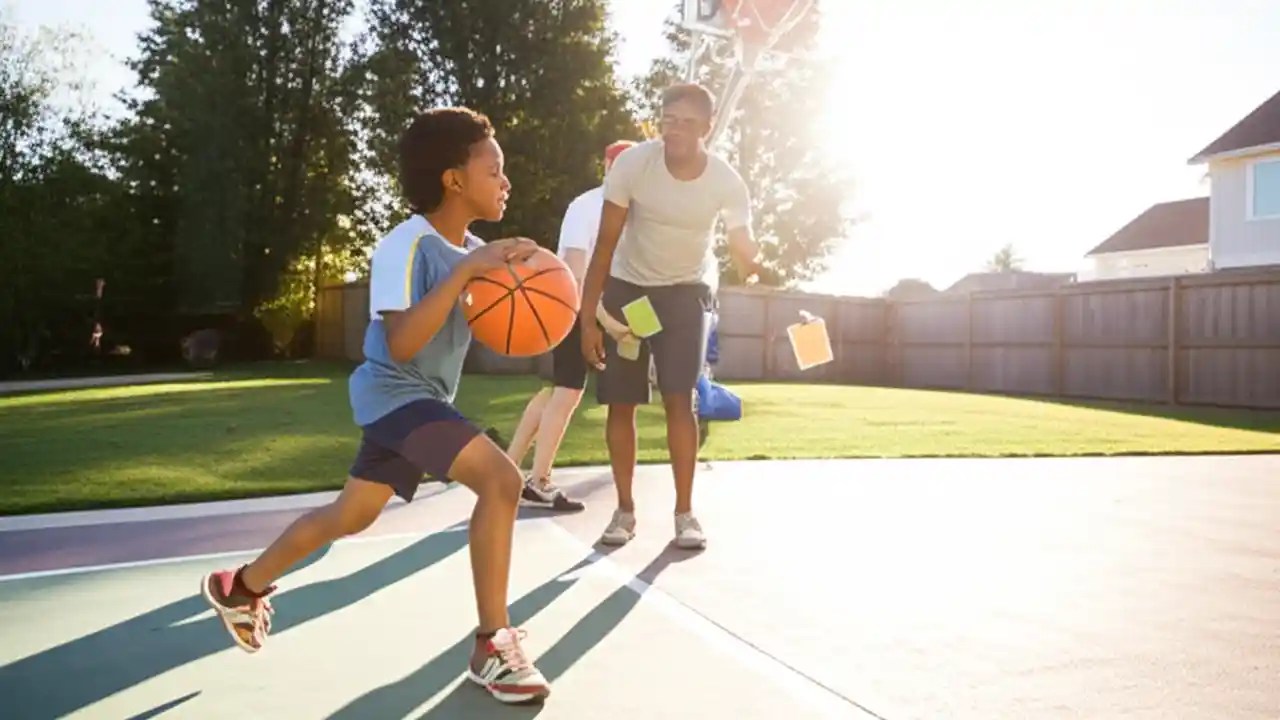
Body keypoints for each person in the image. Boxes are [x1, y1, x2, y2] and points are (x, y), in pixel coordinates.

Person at [198, 107, 552, 705]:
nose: (505, 180)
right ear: (453, 178)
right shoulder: (405, 245)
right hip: (396, 393)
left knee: (351, 514)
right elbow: (402, 341)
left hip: (423, 400)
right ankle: (493, 644)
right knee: (501, 481)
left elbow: (494, 319)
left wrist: (532, 292)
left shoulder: (473, 250)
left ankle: (242, 586)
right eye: (495, 168)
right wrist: (468, 270)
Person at [579, 83, 763, 550]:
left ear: (707, 126)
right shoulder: (633, 165)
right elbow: (604, 245)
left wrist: (751, 261)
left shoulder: (726, 181)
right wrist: (587, 319)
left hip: (685, 294)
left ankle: (685, 514)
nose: (674, 129)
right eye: (668, 118)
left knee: (681, 400)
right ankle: (624, 511)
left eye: (686, 121)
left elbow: (743, 241)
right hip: (630, 290)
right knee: (622, 401)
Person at [506, 140, 636, 512]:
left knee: (556, 392)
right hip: (573, 307)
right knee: (567, 392)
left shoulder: (629, 211)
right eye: (622, 165)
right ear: (609, 166)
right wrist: (604, 319)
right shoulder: (587, 206)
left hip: (599, 310)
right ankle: (538, 481)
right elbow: (575, 270)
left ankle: (511, 473)